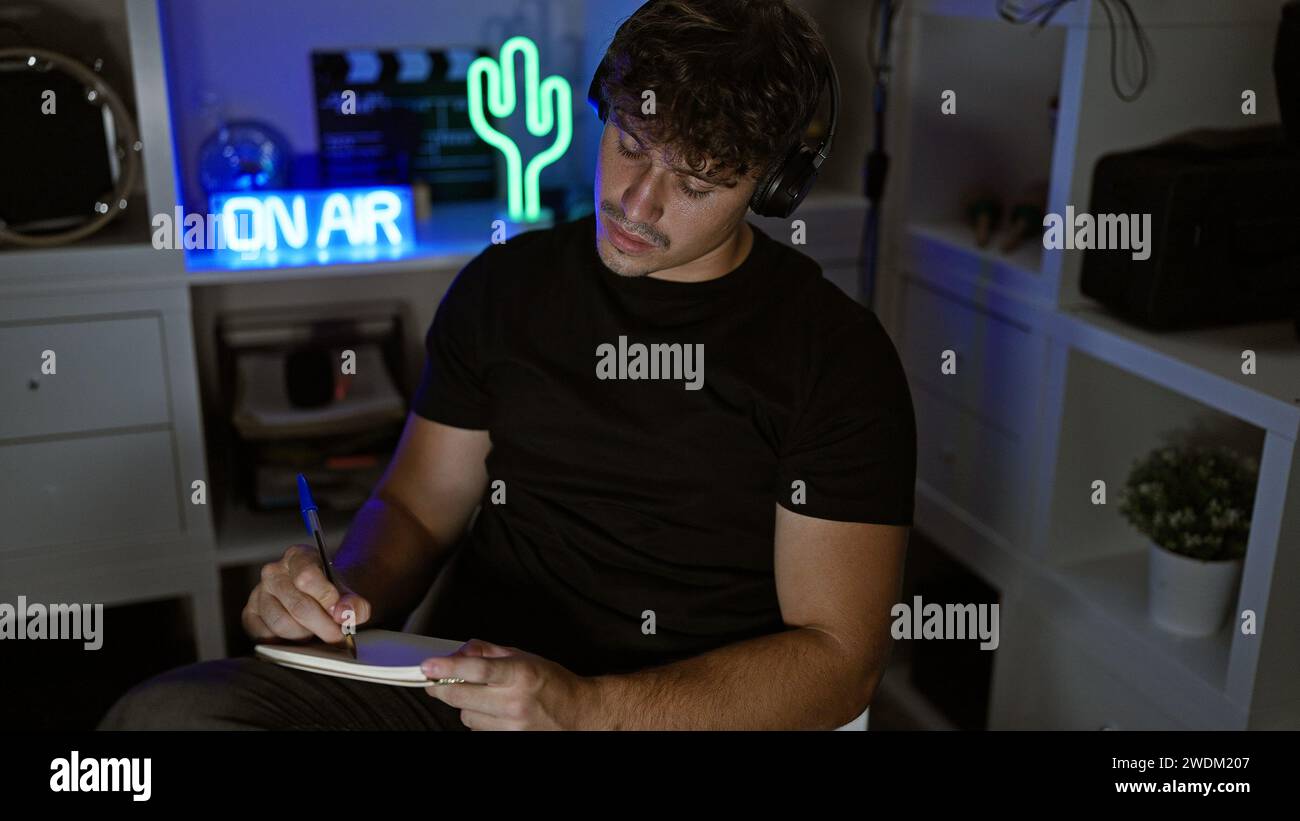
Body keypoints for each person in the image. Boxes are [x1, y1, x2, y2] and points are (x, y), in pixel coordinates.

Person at [99, 0, 915, 731]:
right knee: (163, 715)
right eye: (630, 144)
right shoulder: (507, 285)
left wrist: (586, 707)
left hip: (663, 713)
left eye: (695, 181)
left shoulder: (837, 359)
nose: (635, 203)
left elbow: (839, 659)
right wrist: (337, 594)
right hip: (456, 678)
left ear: (770, 190)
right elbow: (417, 509)